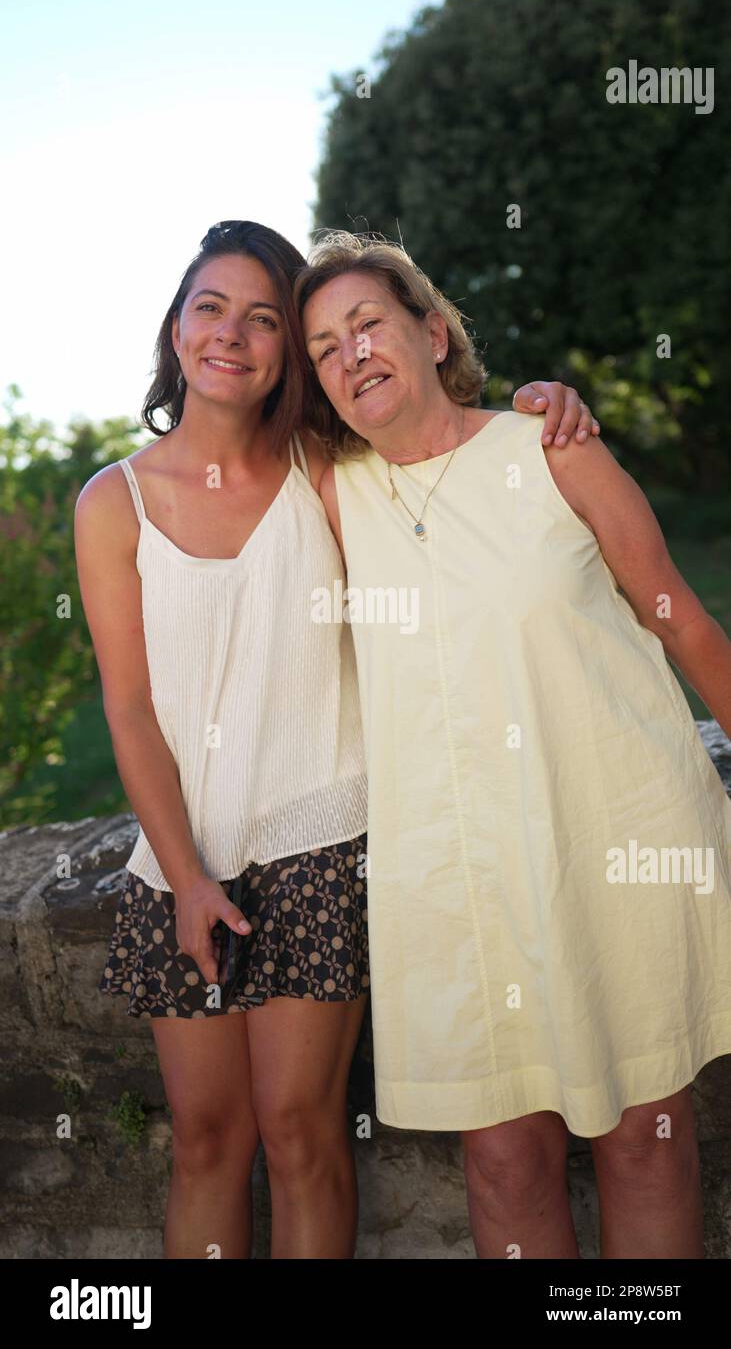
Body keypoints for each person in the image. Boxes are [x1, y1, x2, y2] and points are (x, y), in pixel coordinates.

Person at [74, 219, 593, 1260]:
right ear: (175, 329)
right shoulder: (112, 502)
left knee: (302, 1134)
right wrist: (183, 877)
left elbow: (442, 448)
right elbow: (128, 711)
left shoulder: (328, 468)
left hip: (319, 842)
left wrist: (539, 404)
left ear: (284, 357)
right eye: (210, 308)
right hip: (176, 864)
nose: (233, 333)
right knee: (206, 1143)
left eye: (265, 319)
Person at [295, 230, 731, 1260]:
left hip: (611, 832)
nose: (350, 352)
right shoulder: (327, 489)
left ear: (432, 331)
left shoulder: (548, 446)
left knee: (642, 1140)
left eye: (367, 323)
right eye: (322, 347)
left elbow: (678, 616)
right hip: (453, 876)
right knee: (500, 1158)